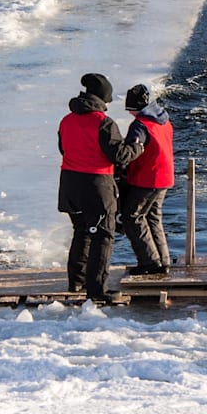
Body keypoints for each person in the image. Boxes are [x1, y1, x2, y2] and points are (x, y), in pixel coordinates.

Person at [57, 73, 141, 302]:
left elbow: (63, 149)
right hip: (96, 185)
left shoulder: (66, 120)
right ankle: (96, 290)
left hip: (69, 183)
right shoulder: (103, 122)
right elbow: (119, 155)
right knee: (103, 236)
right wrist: (137, 147)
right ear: (102, 98)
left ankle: (76, 281)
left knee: (81, 231)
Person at [119, 84, 174, 276]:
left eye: (131, 110)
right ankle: (163, 261)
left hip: (147, 178)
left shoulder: (140, 125)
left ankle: (149, 262)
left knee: (132, 216)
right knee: (152, 217)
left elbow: (132, 151)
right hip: (165, 176)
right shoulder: (163, 120)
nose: (131, 115)